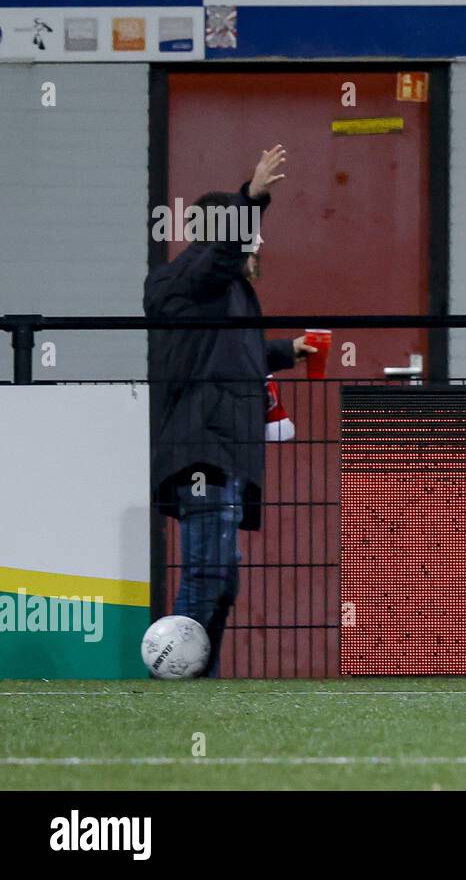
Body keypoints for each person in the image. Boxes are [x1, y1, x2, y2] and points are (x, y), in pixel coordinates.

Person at [145, 146, 318, 677]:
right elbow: (219, 257)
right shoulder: (187, 280)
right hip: (201, 447)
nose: (257, 242)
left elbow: (231, 354)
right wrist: (252, 197)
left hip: (224, 448)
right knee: (207, 570)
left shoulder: (221, 294)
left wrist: (285, 352)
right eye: (245, 231)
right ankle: (179, 673)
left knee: (223, 574)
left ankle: (203, 674)